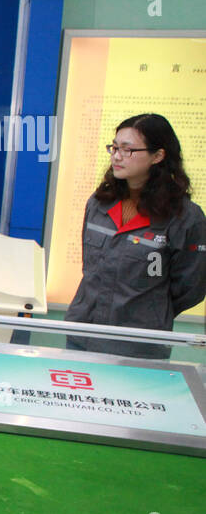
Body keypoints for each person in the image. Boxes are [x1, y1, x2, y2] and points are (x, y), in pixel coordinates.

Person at [65, 113, 206, 359]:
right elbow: (91, 266)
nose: (117, 156)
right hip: (82, 332)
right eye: (114, 147)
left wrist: (150, 308)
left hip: (139, 344)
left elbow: (190, 286)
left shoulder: (185, 217)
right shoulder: (99, 203)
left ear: (158, 156)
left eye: (128, 150)